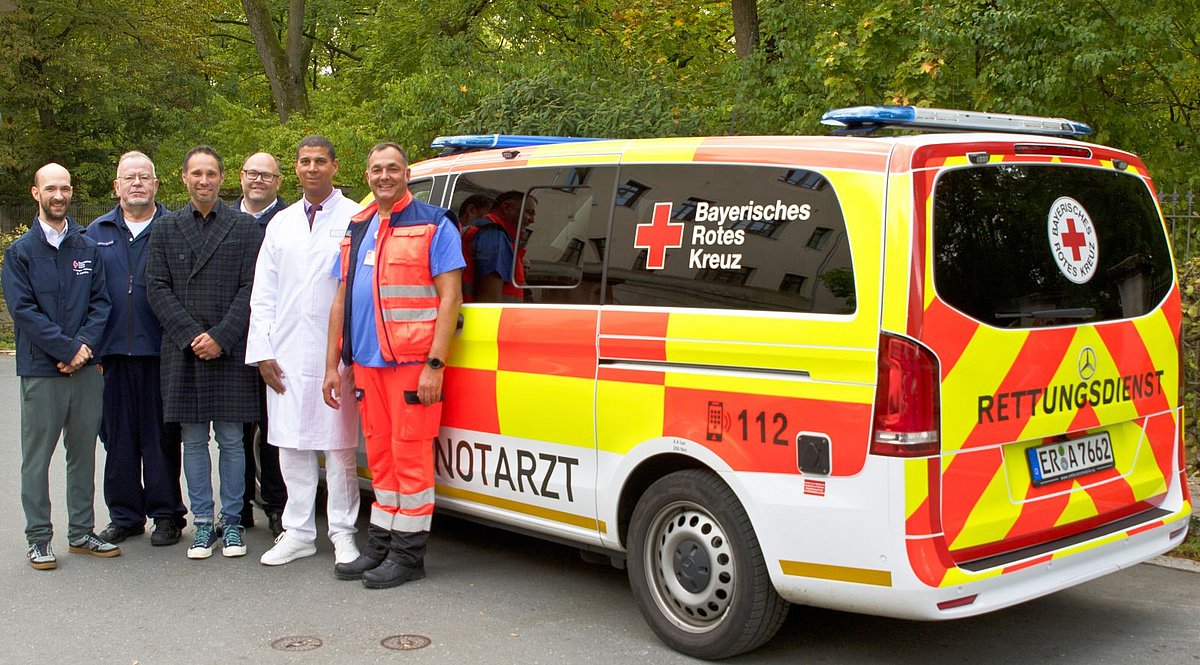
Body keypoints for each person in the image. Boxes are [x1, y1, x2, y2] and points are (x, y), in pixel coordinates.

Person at [323, 142, 464, 589]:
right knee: (381, 460)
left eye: (393, 169)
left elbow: (450, 298)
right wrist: (333, 364)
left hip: (410, 364)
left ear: (407, 174)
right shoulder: (358, 225)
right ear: (366, 176)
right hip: (365, 364)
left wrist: (435, 365)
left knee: (411, 462)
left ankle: (408, 555)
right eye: (377, 169)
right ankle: (380, 545)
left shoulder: (434, 224)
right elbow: (341, 298)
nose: (384, 176)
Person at [247, 136, 362, 568]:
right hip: (286, 352)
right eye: (304, 162)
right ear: (295, 169)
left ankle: (342, 533)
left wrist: (349, 353)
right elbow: (264, 292)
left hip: (336, 354)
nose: (312, 168)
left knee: (338, 448)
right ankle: (297, 532)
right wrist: (261, 350)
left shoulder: (356, 217)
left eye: (320, 161)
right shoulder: (281, 223)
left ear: (335, 166)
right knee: (290, 447)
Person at [146, 145, 264, 560]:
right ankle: (201, 524)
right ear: (183, 177)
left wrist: (222, 336)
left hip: (229, 349)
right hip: (184, 350)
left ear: (222, 178)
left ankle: (231, 522)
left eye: (211, 173)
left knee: (232, 440)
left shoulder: (246, 228)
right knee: (193, 441)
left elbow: (253, 289)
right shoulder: (166, 227)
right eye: (196, 173)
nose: (203, 180)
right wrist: (193, 335)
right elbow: (155, 287)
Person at [2, 163, 119, 569]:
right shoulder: (19, 253)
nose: (58, 195)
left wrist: (83, 348)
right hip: (42, 370)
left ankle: (82, 533)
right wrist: (67, 349)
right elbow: (24, 312)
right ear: (36, 193)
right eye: (50, 188)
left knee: (83, 453)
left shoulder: (86, 247)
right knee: (37, 458)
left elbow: (102, 303)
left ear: (71, 193)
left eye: (64, 188)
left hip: (85, 370)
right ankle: (38, 538)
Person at [85, 151, 188, 547]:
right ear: (116, 186)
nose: (137, 184)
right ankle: (125, 516)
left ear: (157, 184)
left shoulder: (175, 228)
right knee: (118, 439)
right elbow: (85, 296)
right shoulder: (95, 233)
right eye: (129, 178)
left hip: (163, 354)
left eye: (144, 177)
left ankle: (166, 515)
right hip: (110, 355)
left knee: (161, 438)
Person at [233, 151, 289, 536]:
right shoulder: (221, 219)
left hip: (278, 342)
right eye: (253, 174)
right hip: (231, 341)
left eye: (266, 176)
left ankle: (277, 507)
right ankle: (237, 509)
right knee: (235, 431)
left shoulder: (291, 220)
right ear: (241, 177)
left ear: (278, 182)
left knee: (274, 431)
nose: (258, 181)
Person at [462, 190, 535, 302]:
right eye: (529, 212)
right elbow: (489, 300)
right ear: (506, 207)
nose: (532, 220)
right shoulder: (493, 234)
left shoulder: (490, 232)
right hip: (494, 318)